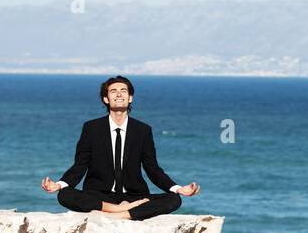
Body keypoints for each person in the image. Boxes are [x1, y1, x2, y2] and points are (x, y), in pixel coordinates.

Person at [41, 75, 199, 220]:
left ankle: (119, 214)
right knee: (65, 195)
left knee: (173, 199)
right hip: (99, 196)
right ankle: (117, 210)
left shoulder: (143, 130)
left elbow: (153, 169)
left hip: (134, 196)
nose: (118, 94)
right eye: (113, 91)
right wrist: (59, 184)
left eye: (123, 91)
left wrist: (178, 188)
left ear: (130, 98)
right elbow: (80, 165)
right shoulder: (91, 128)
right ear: (106, 98)